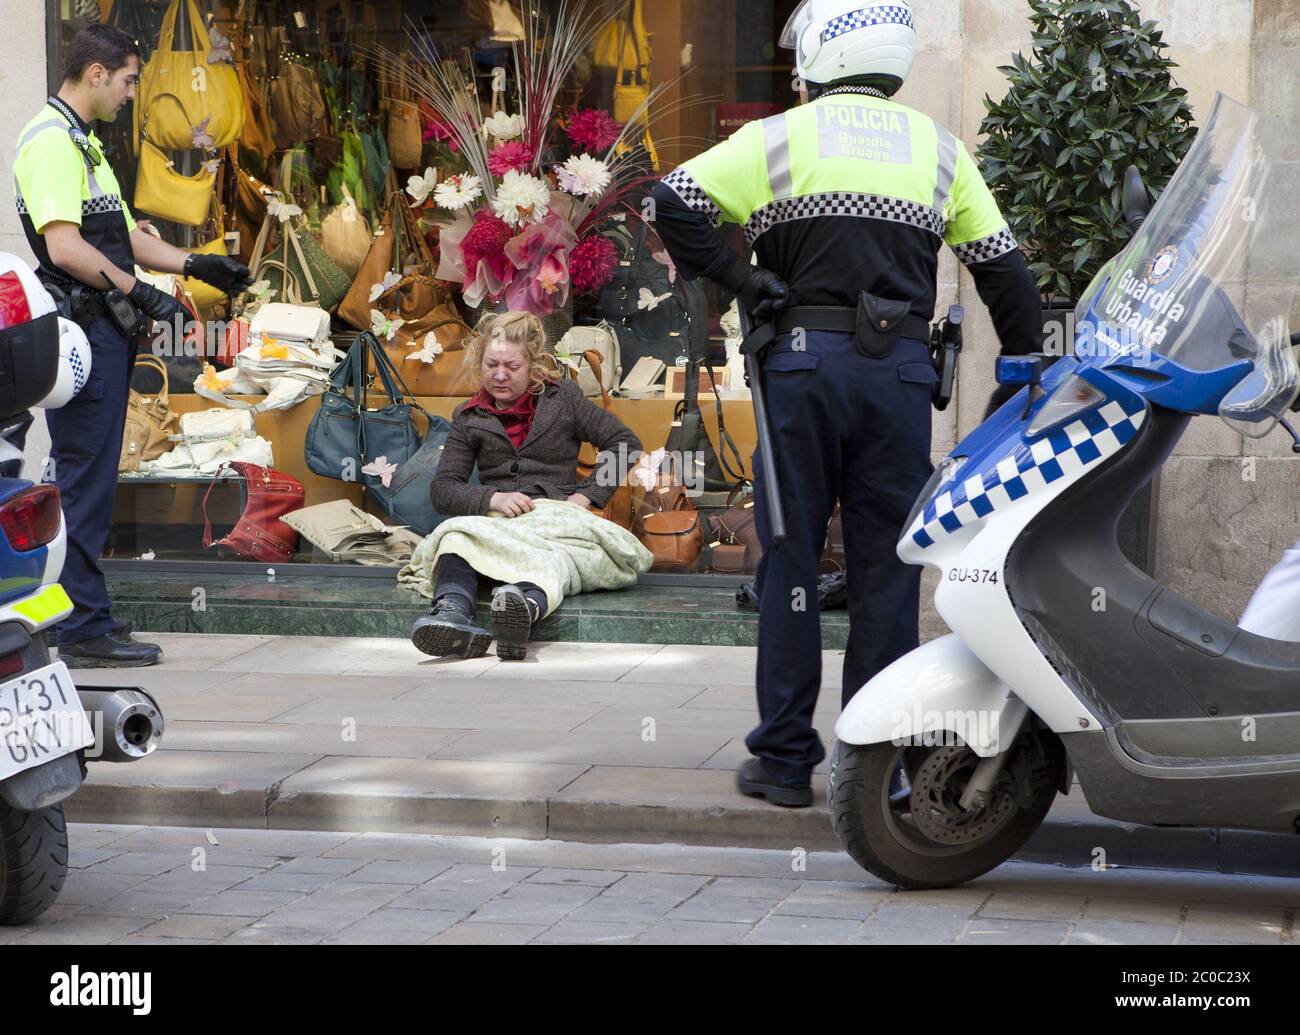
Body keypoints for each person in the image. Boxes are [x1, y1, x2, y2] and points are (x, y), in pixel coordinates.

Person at [650, 0, 1042, 807]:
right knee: (887, 571)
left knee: (791, 559)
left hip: (802, 373)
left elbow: (672, 203)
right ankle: (882, 769)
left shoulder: (777, 140)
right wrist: (1020, 370)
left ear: (824, 52)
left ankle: (786, 761)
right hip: (898, 376)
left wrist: (742, 279)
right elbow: (1005, 272)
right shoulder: (939, 149)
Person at [12, 24, 252, 668]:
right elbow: (65, 246)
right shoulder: (51, 143)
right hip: (85, 330)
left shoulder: (83, 141)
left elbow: (121, 236)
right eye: (129, 79)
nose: (131, 93)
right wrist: (140, 294)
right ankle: (83, 626)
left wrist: (197, 265)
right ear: (95, 73)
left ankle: (83, 619)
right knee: (86, 479)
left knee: (92, 477)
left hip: (104, 329)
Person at [412, 312, 642, 661]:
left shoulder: (564, 399)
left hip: (556, 519)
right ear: (479, 362)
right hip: (499, 524)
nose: (499, 375)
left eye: (511, 366)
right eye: (491, 364)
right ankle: (452, 614)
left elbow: (624, 443)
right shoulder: (468, 416)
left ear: (533, 365)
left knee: (553, 557)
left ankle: (521, 610)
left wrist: (585, 496)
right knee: (454, 538)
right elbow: (443, 489)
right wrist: (493, 497)